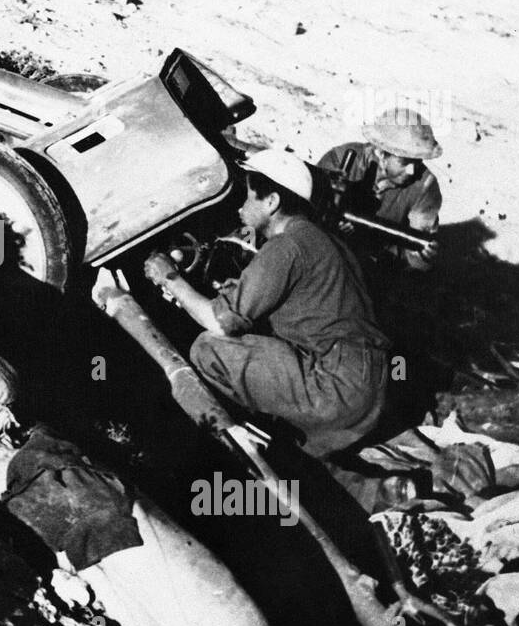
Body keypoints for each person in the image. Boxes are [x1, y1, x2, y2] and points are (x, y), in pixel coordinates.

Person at [144, 149, 390, 459]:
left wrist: (168, 277)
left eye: (249, 197)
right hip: (371, 383)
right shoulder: (322, 240)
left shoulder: (287, 248)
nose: (242, 205)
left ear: (272, 202)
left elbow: (218, 322)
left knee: (209, 348)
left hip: (337, 389)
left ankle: (253, 439)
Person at [317, 108, 443, 272]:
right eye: (404, 162)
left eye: (417, 161)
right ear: (381, 153)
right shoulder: (340, 159)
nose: (412, 171)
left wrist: (420, 256)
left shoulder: (425, 186)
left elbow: (414, 262)